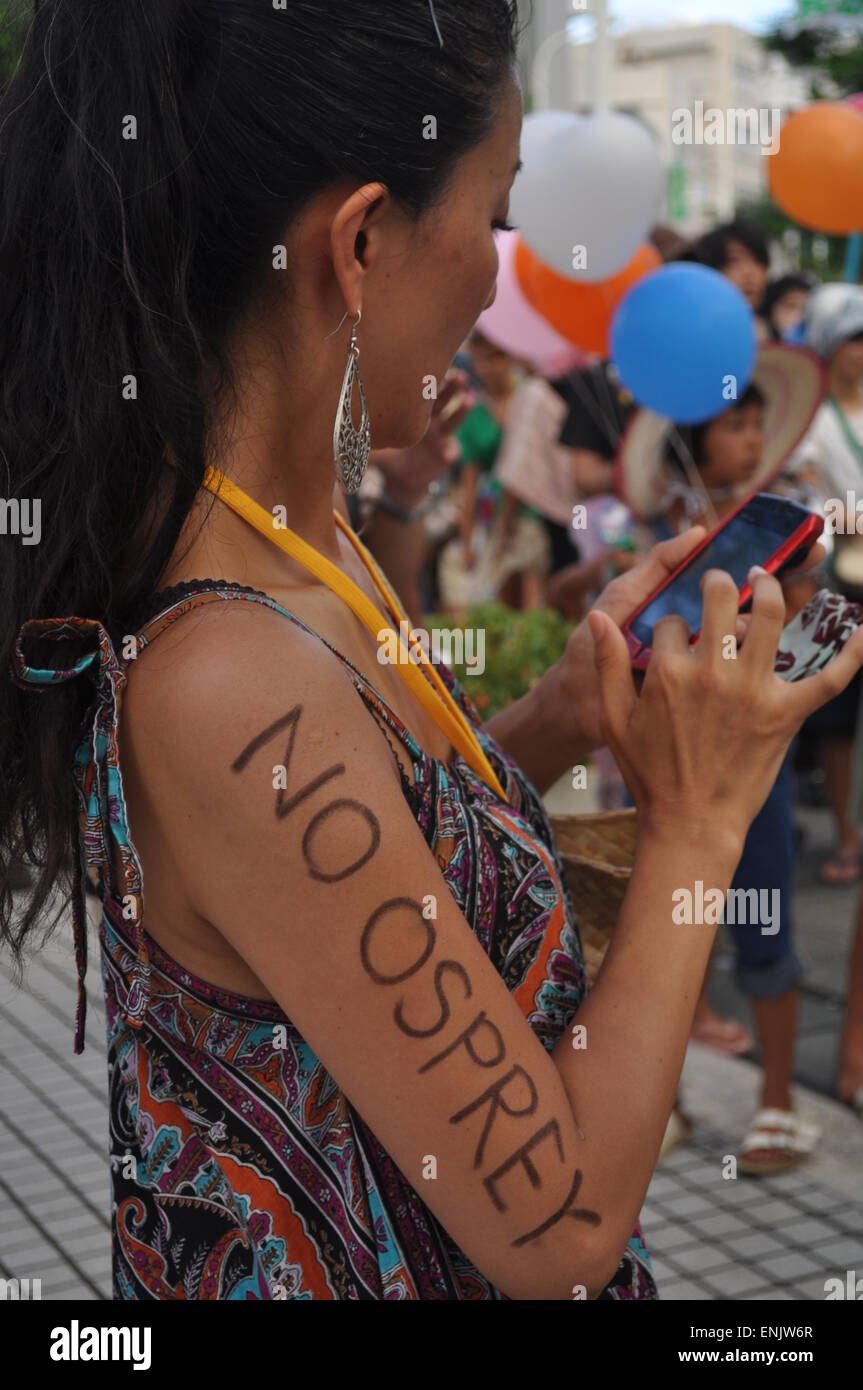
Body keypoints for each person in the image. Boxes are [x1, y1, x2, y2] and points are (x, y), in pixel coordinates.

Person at [2, 0, 858, 1302]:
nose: (501, 270)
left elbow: (355, 861)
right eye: (495, 215)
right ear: (358, 242)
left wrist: (557, 718)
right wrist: (698, 821)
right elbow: (559, 1231)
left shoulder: (295, 541)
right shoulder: (233, 675)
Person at [617, 344, 829, 1172]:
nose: (747, 437)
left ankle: (775, 1103)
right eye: (729, 425)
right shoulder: (656, 521)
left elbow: (805, 617)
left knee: (763, 923)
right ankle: (658, 1099)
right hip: (661, 754)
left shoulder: (788, 517)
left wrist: (787, 576)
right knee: (660, 926)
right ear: (690, 440)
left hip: (753, 765)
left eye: (752, 423)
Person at [789, 285, 863, 885]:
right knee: (837, 718)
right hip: (836, 583)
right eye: (852, 339)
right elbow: (810, 507)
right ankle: (844, 832)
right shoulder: (809, 423)